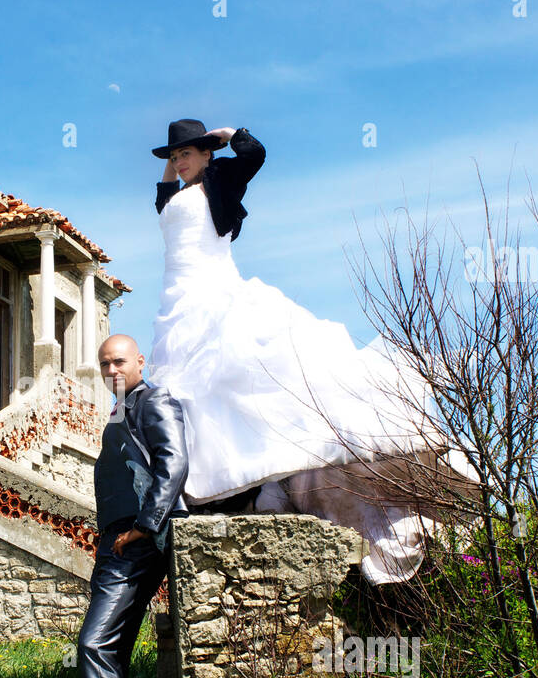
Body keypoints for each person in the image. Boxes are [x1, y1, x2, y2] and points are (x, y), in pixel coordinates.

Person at [147, 119, 475, 584]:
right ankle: (215, 485)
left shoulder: (220, 178)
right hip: (176, 298)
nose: (179, 162)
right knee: (187, 388)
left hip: (212, 288)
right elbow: (162, 205)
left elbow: (255, 155)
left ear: (205, 154)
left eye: (187, 154)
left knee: (234, 370)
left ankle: (265, 475)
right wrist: (170, 163)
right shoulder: (175, 194)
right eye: (174, 156)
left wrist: (225, 134)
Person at [73, 333, 188, 678]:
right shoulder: (122, 410)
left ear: (139, 362)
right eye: (104, 364)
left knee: (94, 642)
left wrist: (142, 527)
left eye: (118, 362)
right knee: (113, 645)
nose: (111, 371)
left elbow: (174, 463)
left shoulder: (153, 401)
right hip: (119, 540)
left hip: (138, 541)